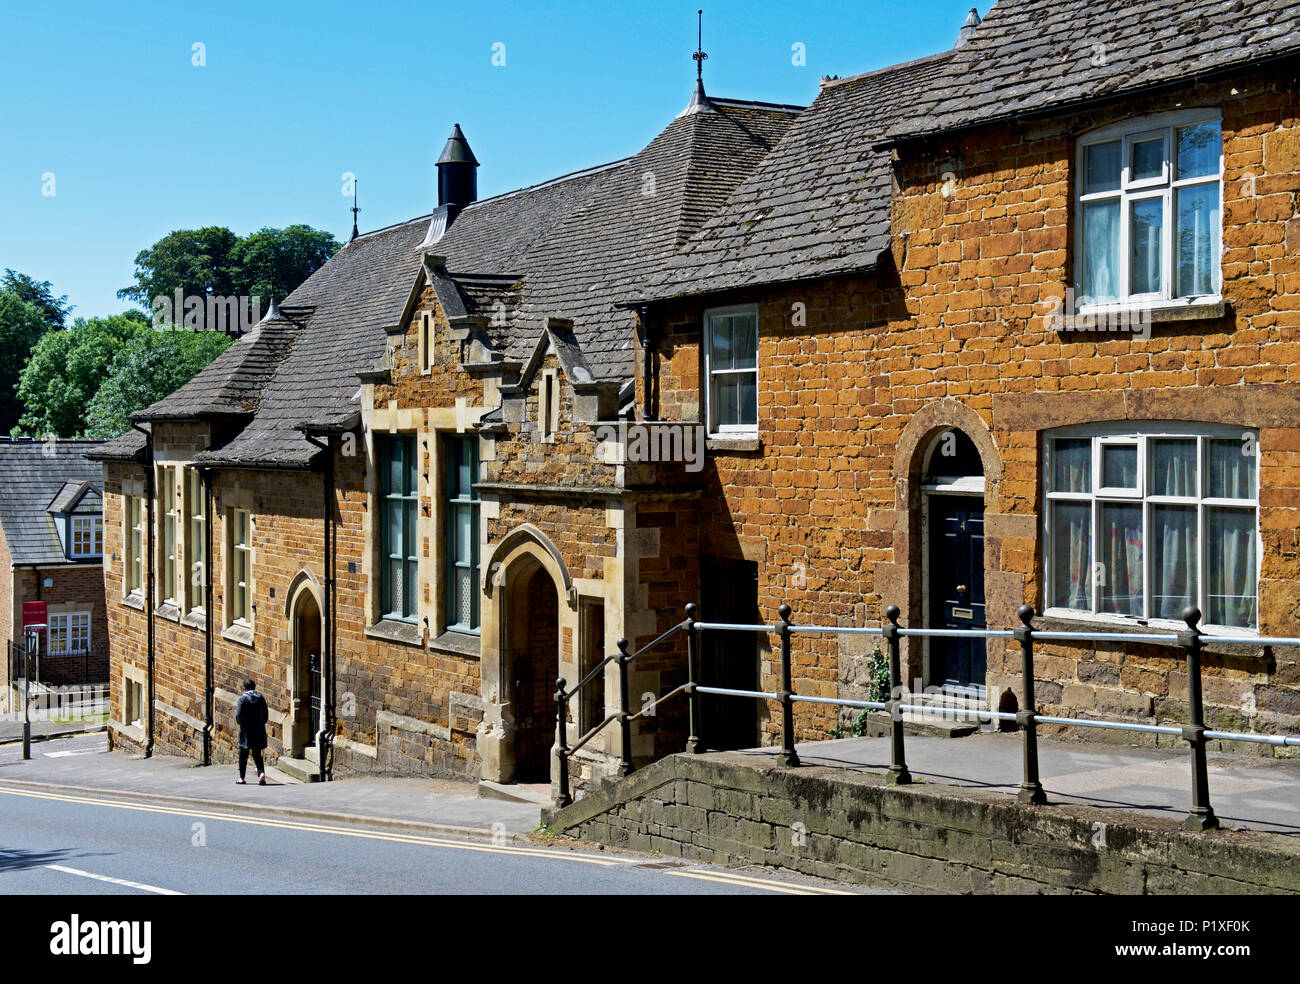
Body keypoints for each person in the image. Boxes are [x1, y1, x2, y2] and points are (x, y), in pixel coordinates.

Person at [235, 679, 269, 785]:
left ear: (244, 688)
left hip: (246, 732)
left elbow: (238, 717)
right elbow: (265, 716)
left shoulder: (242, 700)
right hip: (258, 731)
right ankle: (261, 774)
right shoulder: (261, 698)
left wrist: (242, 722)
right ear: (254, 687)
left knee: (243, 754)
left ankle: (242, 778)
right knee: (257, 754)